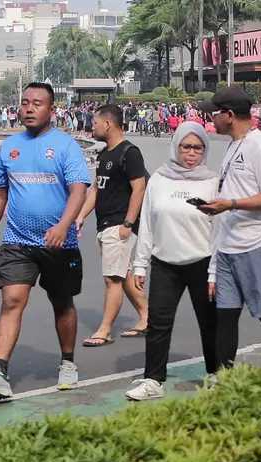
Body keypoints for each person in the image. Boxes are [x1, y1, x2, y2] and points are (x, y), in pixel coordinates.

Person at [0, 83, 91, 400]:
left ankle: (68, 363)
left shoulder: (66, 146)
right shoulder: (9, 147)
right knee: (11, 300)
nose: (28, 108)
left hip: (60, 244)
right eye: (24, 102)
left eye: (37, 103)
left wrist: (64, 225)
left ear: (51, 110)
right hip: (17, 242)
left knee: (62, 304)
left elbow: (79, 190)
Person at [196, 86, 261, 372]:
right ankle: (223, 381)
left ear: (228, 115)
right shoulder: (232, 145)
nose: (209, 118)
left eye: (213, 113)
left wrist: (231, 204)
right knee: (225, 316)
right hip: (227, 247)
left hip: (256, 244)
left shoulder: (260, 146)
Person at [123, 124, 219, 402]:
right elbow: (149, 224)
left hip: (203, 261)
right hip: (165, 262)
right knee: (158, 323)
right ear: (175, 147)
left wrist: (215, 270)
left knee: (210, 322)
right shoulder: (159, 180)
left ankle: (216, 374)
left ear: (205, 149)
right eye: (185, 147)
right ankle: (153, 380)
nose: (191, 154)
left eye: (197, 148)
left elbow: (219, 228)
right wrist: (140, 264)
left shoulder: (213, 181)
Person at [76, 105, 150, 347]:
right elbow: (97, 189)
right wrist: (81, 216)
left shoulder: (130, 153)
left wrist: (128, 224)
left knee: (112, 279)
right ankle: (148, 318)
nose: (92, 126)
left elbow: (139, 188)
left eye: (96, 122)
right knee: (123, 275)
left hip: (119, 225)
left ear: (108, 123)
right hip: (104, 224)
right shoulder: (105, 154)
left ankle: (105, 330)